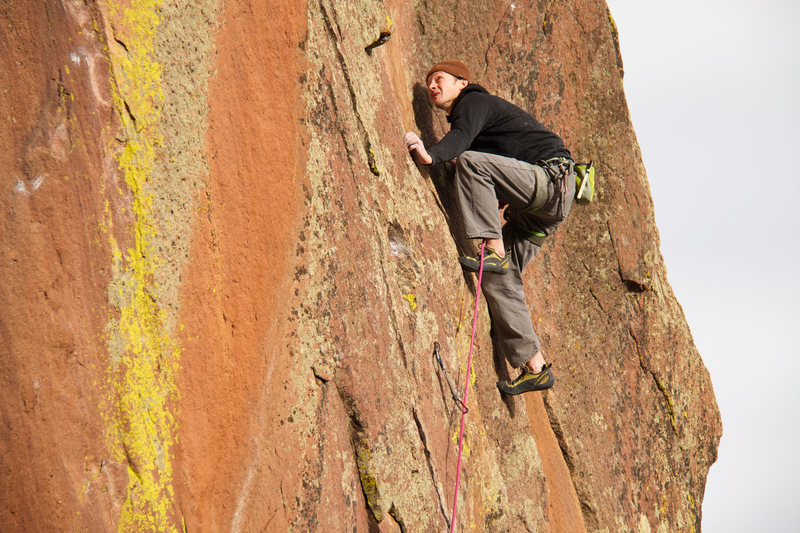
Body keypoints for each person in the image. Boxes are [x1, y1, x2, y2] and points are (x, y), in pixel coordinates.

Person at [403, 60, 575, 395]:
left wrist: (431, 155)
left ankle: (493, 249)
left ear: (462, 83)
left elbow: (461, 140)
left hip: (552, 181)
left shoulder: (476, 103)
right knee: (498, 277)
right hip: (541, 210)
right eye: (429, 84)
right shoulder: (483, 126)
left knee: (470, 163)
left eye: (440, 79)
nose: (433, 87)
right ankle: (535, 365)